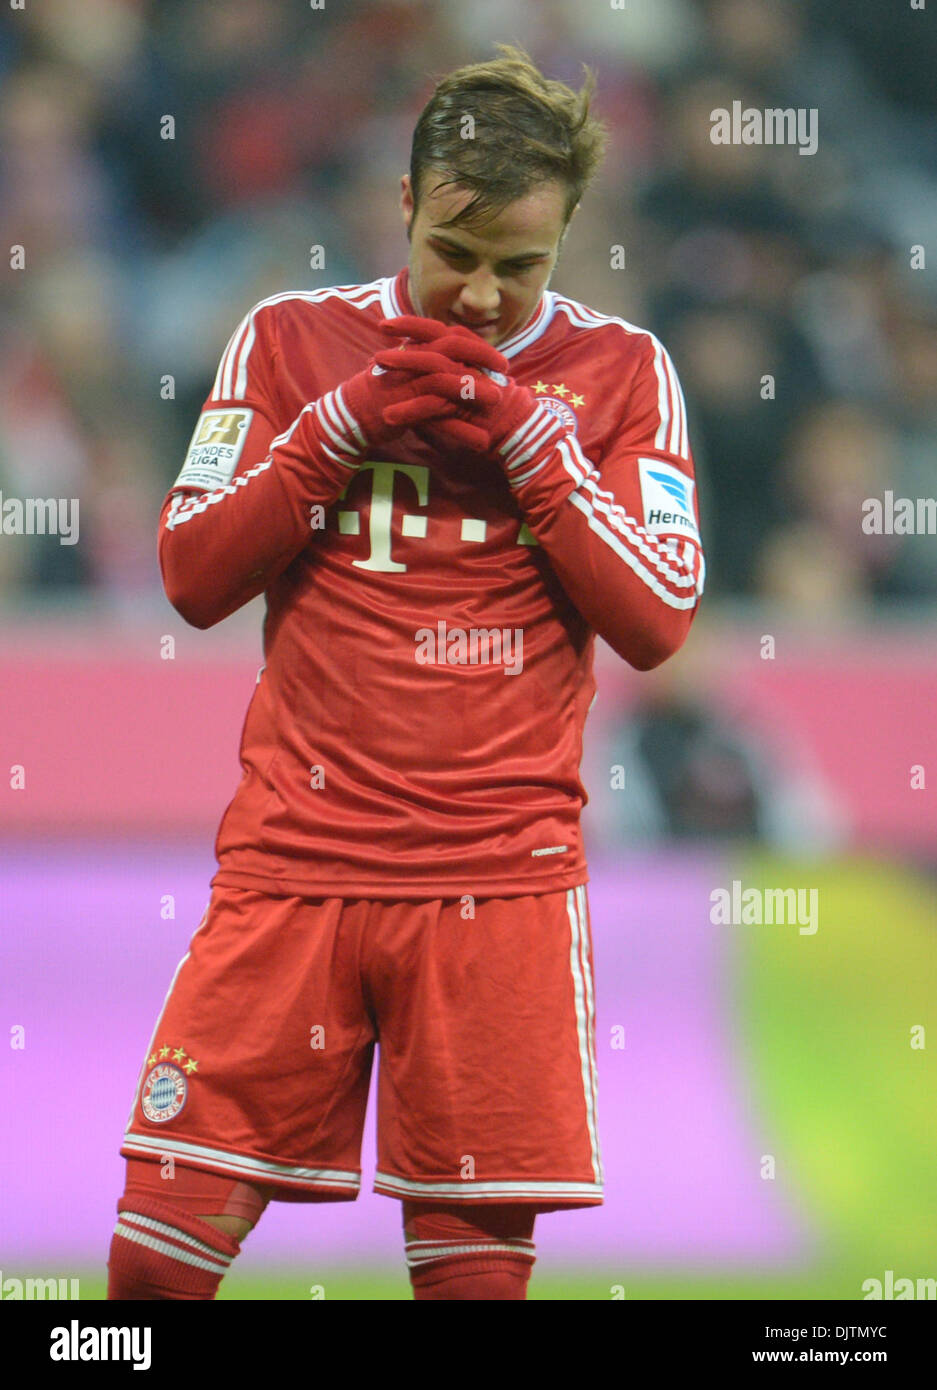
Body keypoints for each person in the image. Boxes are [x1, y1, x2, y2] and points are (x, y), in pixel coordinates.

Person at [107, 44, 705, 1302]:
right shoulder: (289, 339)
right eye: (457, 252)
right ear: (404, 205)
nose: (483, 295)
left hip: (497, 881)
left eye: (520, 266)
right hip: (294, 865)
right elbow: (191, 576)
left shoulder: (618, 375)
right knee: (151, 1271)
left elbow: (658, 621)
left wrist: (545, 460)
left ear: (566, 239)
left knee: (471, 1282)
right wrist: (330, 435)